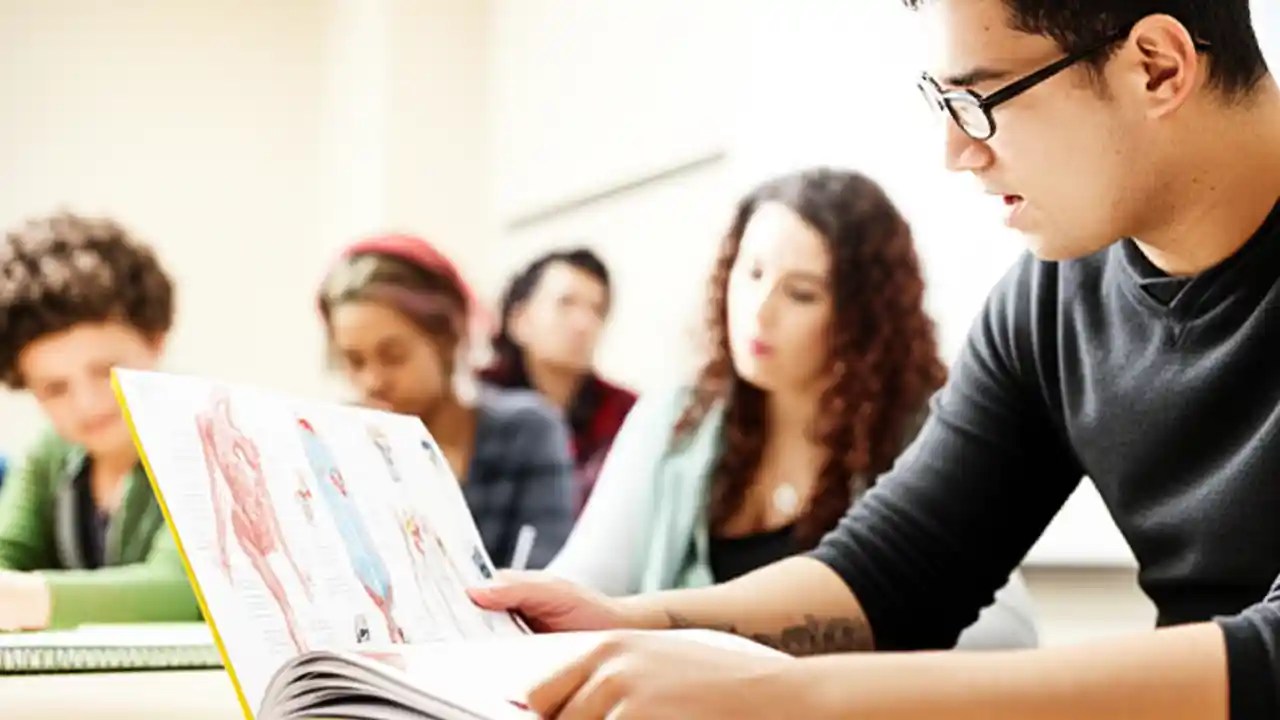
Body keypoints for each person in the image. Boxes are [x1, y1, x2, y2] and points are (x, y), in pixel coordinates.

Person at [470, 2, 1280, 718]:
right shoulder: (1050, 296)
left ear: (1156, 68)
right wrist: (630, 623)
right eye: (941, 101)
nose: (955, 150)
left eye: (978, 98)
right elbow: (894, 573)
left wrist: (779, 697)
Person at [546, 167, 1037, 650]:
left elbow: (1003, 634)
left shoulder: (919, 432)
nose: (760, 310)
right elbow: (587, 583)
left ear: (860, 317)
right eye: (752, 272)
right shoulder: (677, 418)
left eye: (801, 293)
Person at [317, 233, 574, 570]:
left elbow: (544, 573)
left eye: (393, 356)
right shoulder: (338, 447)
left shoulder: (526, 431)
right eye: (353, 361)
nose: (372, 380)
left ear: (447, 340)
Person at [0, 211, 199, 630]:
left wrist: (25, 599)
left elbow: (184, 589)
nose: (88, 404)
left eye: (106, 370)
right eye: (54, 389)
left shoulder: (206, 440)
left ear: (155, 338)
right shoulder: (50, 455)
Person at [481, 248, 637, 512]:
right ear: (519, 320)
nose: (584, 323)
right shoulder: (477, 402)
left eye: (598, 310)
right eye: (566, 303)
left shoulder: (626, 413)